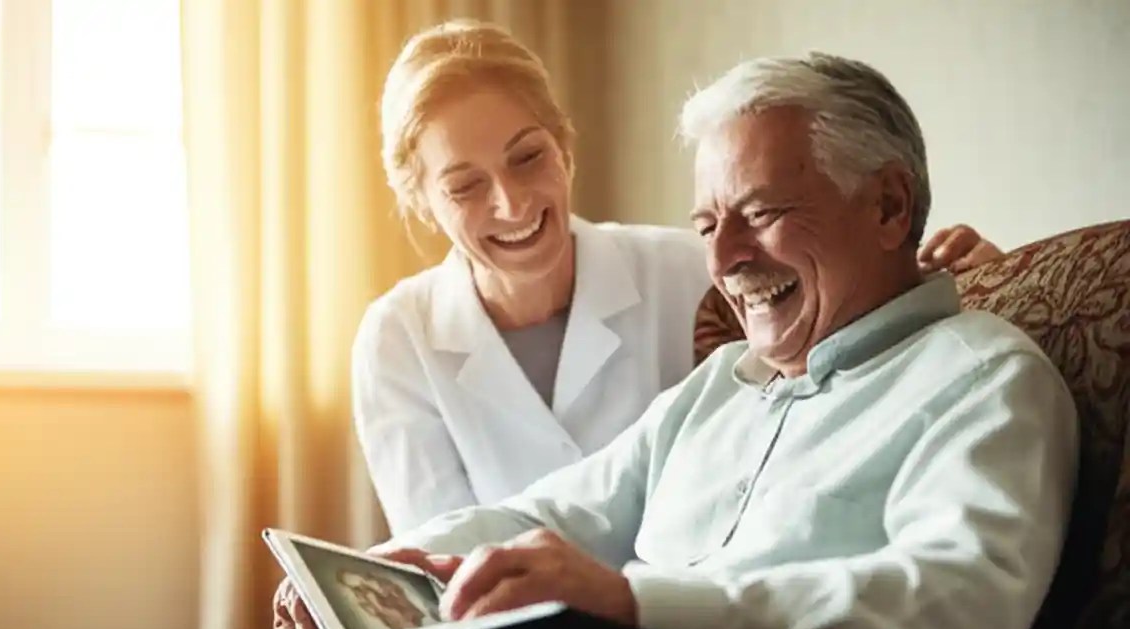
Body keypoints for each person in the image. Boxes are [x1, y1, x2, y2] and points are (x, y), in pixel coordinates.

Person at [172, 52, 1076, 629]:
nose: (720, 261)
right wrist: (389, 569)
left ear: (887, 206)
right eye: (709, 223)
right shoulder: (726, 378)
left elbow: (965, 600)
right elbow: (559, 511)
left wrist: (638, 602)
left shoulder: (984, 375)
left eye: (759, 215)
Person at [354, 19, 1002, 535]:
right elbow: (438, 547)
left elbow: (842, 289)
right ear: (421, 200)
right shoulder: (396, 339)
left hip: (673, 614)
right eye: (465, 185)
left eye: (528, 157)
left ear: (565, 147)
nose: (512, 203)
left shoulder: (700, 271)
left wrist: (950, 278)